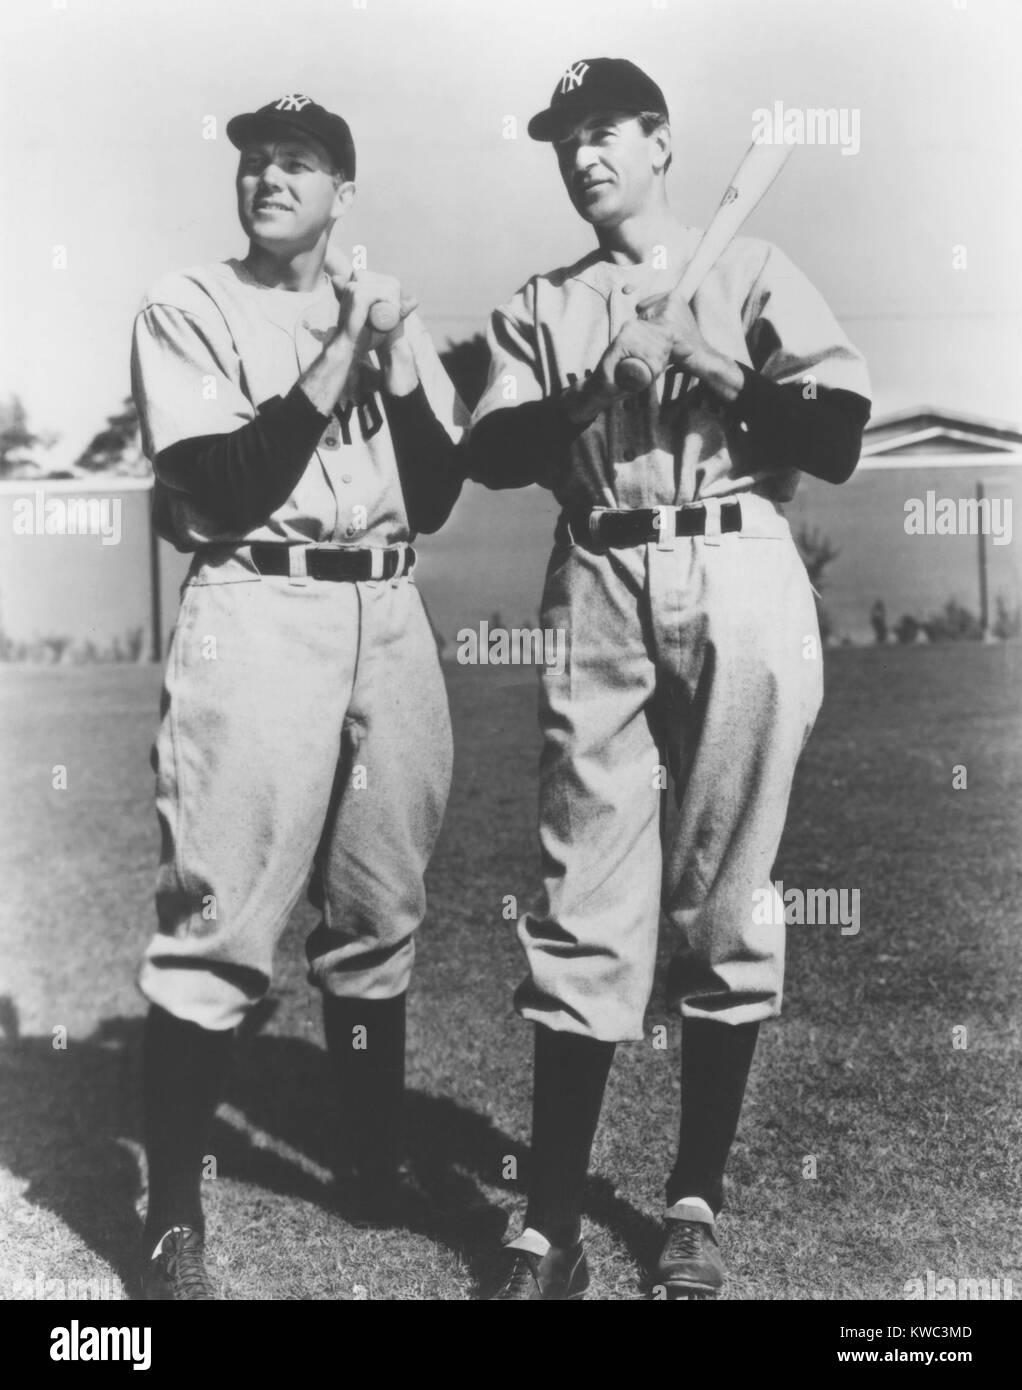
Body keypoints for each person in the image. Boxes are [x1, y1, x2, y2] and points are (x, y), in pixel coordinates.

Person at [465, 58, 871, 1300]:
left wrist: (718, 366)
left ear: (656, 142)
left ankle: (688, 1204)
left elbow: (840, 438)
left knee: (728, 886)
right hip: (595, 569)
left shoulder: (747, 267)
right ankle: (551, 1226)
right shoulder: (540, 299)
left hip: (736, 557)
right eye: (563, 140)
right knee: (579, 882)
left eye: (603, 133)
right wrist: (601, 377)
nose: (582, 156)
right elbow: (492, 449)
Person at [130, 92, 466, 1299]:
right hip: (259, 607)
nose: (270, 178)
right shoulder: (189, 303)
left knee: (380, 915)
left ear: (340, 190)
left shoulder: (378, 311)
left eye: (299, 162)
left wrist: (402, 358)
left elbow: (431, 496)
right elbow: (220, 484)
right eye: (256, 162)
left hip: (389, 608)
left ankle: (370, 1165)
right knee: (220, 920)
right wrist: (338, 357)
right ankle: (171, 1214)